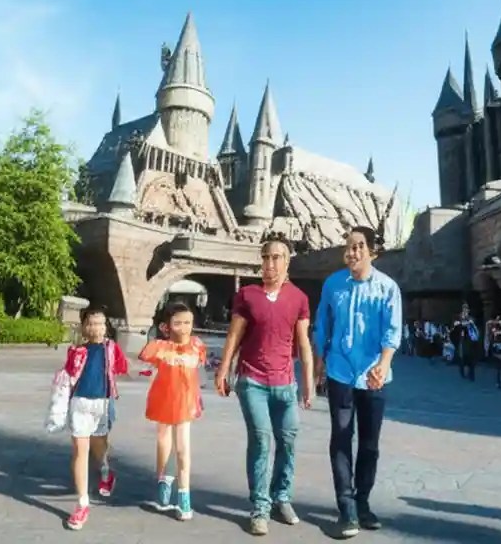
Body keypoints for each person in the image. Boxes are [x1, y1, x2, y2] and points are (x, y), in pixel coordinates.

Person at [215, 233, 315, 536]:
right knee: (261, 439)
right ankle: (260, 507)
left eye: (276, 257)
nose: (269, 263)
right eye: (265, 257)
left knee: (288, 440)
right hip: (252, 381)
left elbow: (303, 343)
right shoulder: (247, 295)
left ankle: (281, 497)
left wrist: (308, 382)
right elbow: (234, 335)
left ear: (287, 261)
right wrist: (223, 370)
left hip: (285, 384)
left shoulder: (299, 298)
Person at [313, 226, 403, 538]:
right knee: (341, 436)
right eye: (348, 247)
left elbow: (393, 331)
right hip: (340, 372)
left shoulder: (388, 287)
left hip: (374, 376)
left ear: (372, 252)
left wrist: (384, 363)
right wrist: (319, 364)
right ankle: (346, 508)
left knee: (369, 443)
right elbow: (322, 324)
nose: (351, 253)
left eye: (358, 247)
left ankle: (362, 502)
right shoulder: (333, 284)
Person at [61, 305, 131, 531]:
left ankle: (105, 471)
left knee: (99, 446)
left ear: (105, 327)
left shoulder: (111, 348)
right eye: (91, 323)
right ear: (84, 327)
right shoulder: (76, 350)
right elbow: (69, 374)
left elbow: (122, 367)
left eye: (100, 323)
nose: (96, 328)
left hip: (102, 404)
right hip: (79, 403)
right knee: (79, 450)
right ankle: (82, 503)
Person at [139, 302, 208, 521]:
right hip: (163, 398)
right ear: (166, 326)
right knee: (163, 443)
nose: (184, 328)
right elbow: (143, 361)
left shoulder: (197, 345)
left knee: (182, 448)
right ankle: (164, 483)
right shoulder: (159, 347)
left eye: (188, 322)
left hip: (185, 401)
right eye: (178, 323)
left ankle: (184, 495)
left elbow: (199, 368)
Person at [452, 304, 479, 381]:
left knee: (471, 357)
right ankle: (463, 373)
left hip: (470, 340)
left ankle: (471, 374)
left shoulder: (471, 318)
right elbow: (455, 325)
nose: (465, 311)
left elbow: (472, 324)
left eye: (466, 309)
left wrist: (467, 323)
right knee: (462, 357)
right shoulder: (459, 318)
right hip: (462, 340)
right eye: (464, 309)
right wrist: (461, 323)